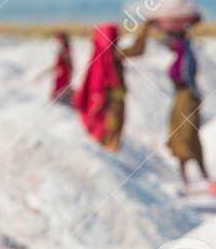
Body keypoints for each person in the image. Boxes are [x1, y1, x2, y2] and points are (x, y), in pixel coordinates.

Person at [74, 23, 146, 151]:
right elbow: (138, 50)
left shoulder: (99, 56)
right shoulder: (112, 54)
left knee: (109, 136)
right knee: (112, 137)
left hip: (107, 104)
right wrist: (146, 28)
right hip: (113, 105)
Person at [163, 26, 207, 188]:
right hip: (179, 98)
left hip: (188, 98)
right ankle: (185, 176)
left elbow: (187, 77)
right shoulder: (179, 56)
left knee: (189, 133)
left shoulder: (186, 56)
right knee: (178, 135)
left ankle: (203, 173)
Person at [50, 33, 72, 105]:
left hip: (63, 71)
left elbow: (69, 61)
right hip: (60, 70)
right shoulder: (61, 47)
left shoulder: (65, 48)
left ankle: (59, 100)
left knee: (61, 85)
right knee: (58, 84)